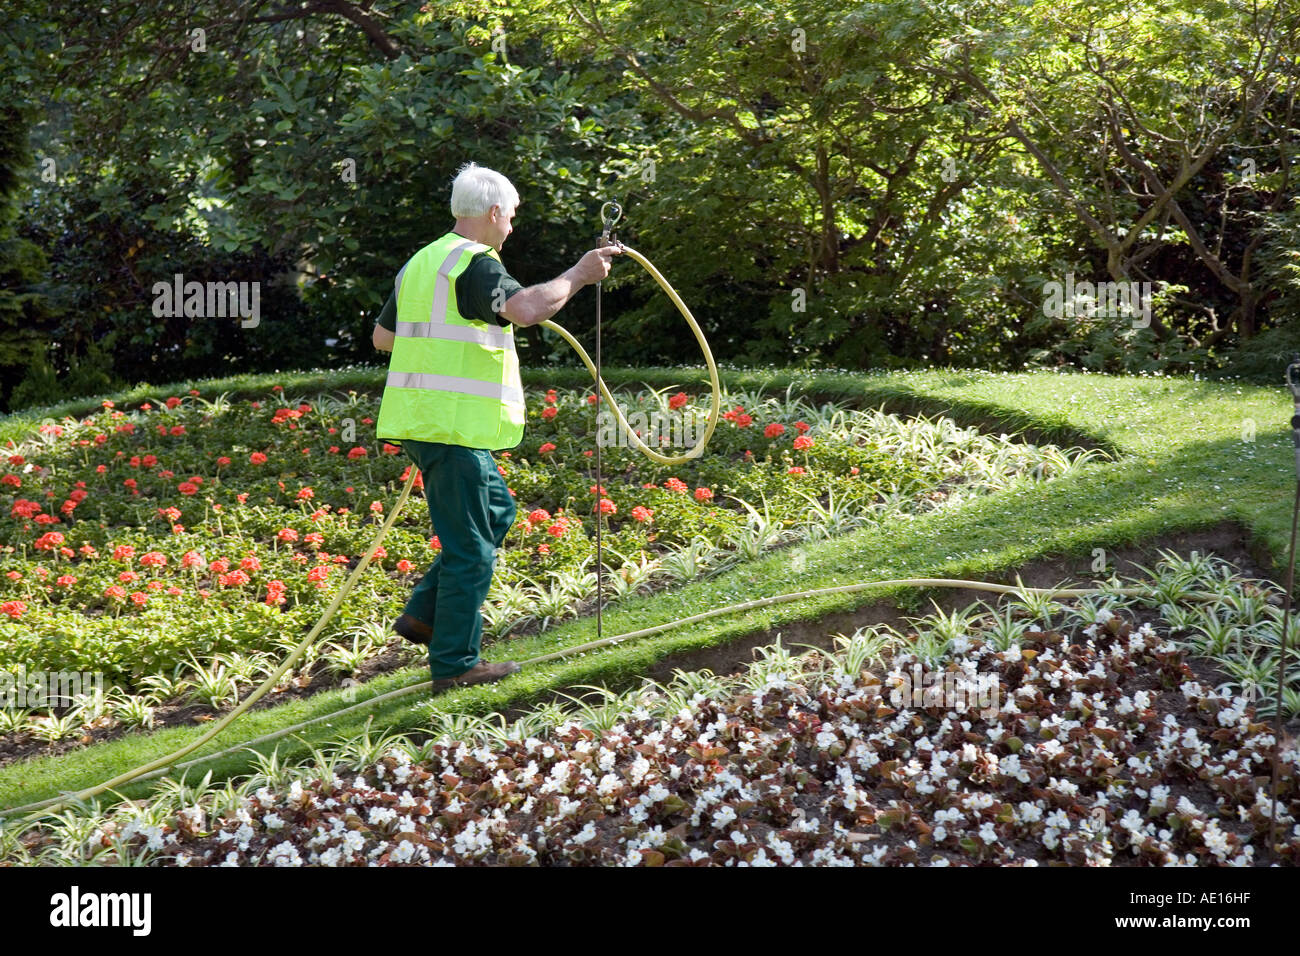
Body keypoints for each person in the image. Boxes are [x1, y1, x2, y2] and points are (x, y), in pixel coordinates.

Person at [372, 161, 622, 690]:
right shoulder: (474, 263)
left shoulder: (423, 261)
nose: (511, 227)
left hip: (425, 421)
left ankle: (424, 614)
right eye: (509, 217)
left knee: (496, 512)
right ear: (491, 212)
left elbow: (384, 339)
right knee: (470, 549)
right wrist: (579, 274)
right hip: (451, 427)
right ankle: (455, 665)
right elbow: (528, 310)